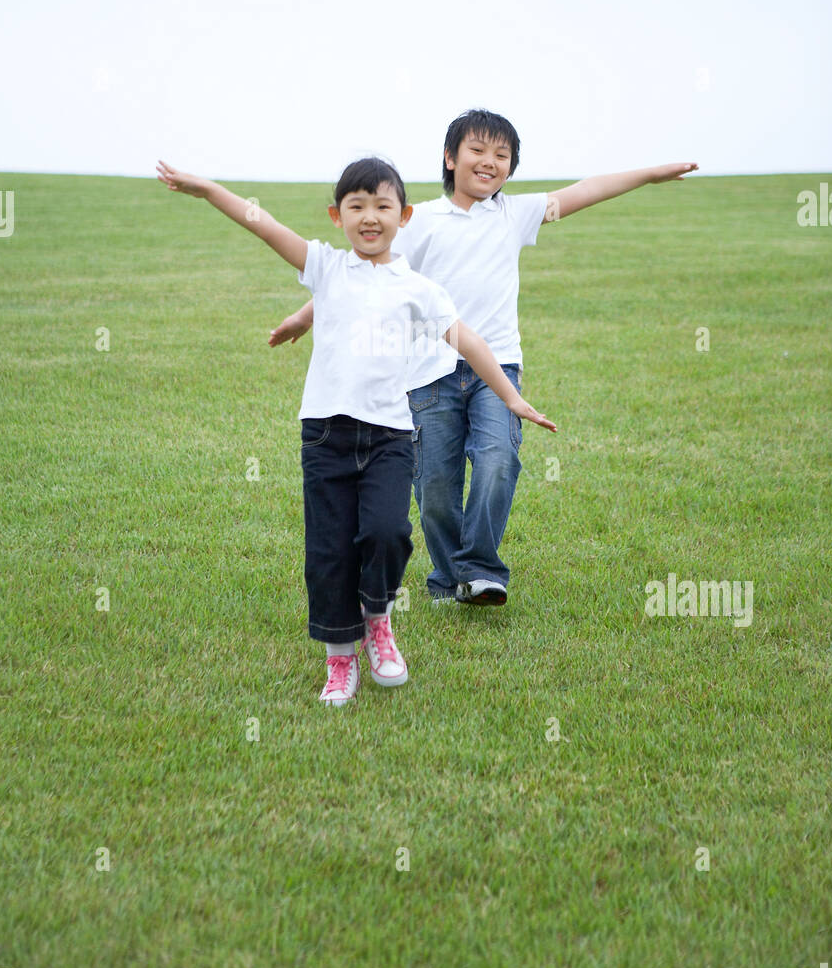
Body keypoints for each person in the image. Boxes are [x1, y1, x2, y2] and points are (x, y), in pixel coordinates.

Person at [156, 154, 557, 706]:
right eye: (357, 206)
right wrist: (207, 190)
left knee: (388, 533)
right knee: (328, 551)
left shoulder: (419, 291)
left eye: (382, 206)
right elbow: (260, 222)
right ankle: (339, 661)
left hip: (392, 436)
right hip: (326, 435)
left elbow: (470, 344)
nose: (370, 217)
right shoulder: (325, 268)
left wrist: (512, 398)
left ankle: (377, 616)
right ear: (336, 215)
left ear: (405, 215)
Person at [269, 109, 698, 606]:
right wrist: (307, 315)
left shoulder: (515, 215)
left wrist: (650, 174)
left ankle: (482, 569)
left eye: (502, 155)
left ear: (511, 168)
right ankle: (450, 579)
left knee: (497, 460)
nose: (489, 162)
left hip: (497, 369)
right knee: (433, 485)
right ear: (450, 158)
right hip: (429, 372)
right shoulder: (420, 218)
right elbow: (365, 275)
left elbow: (589, 189)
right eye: (477, 150)